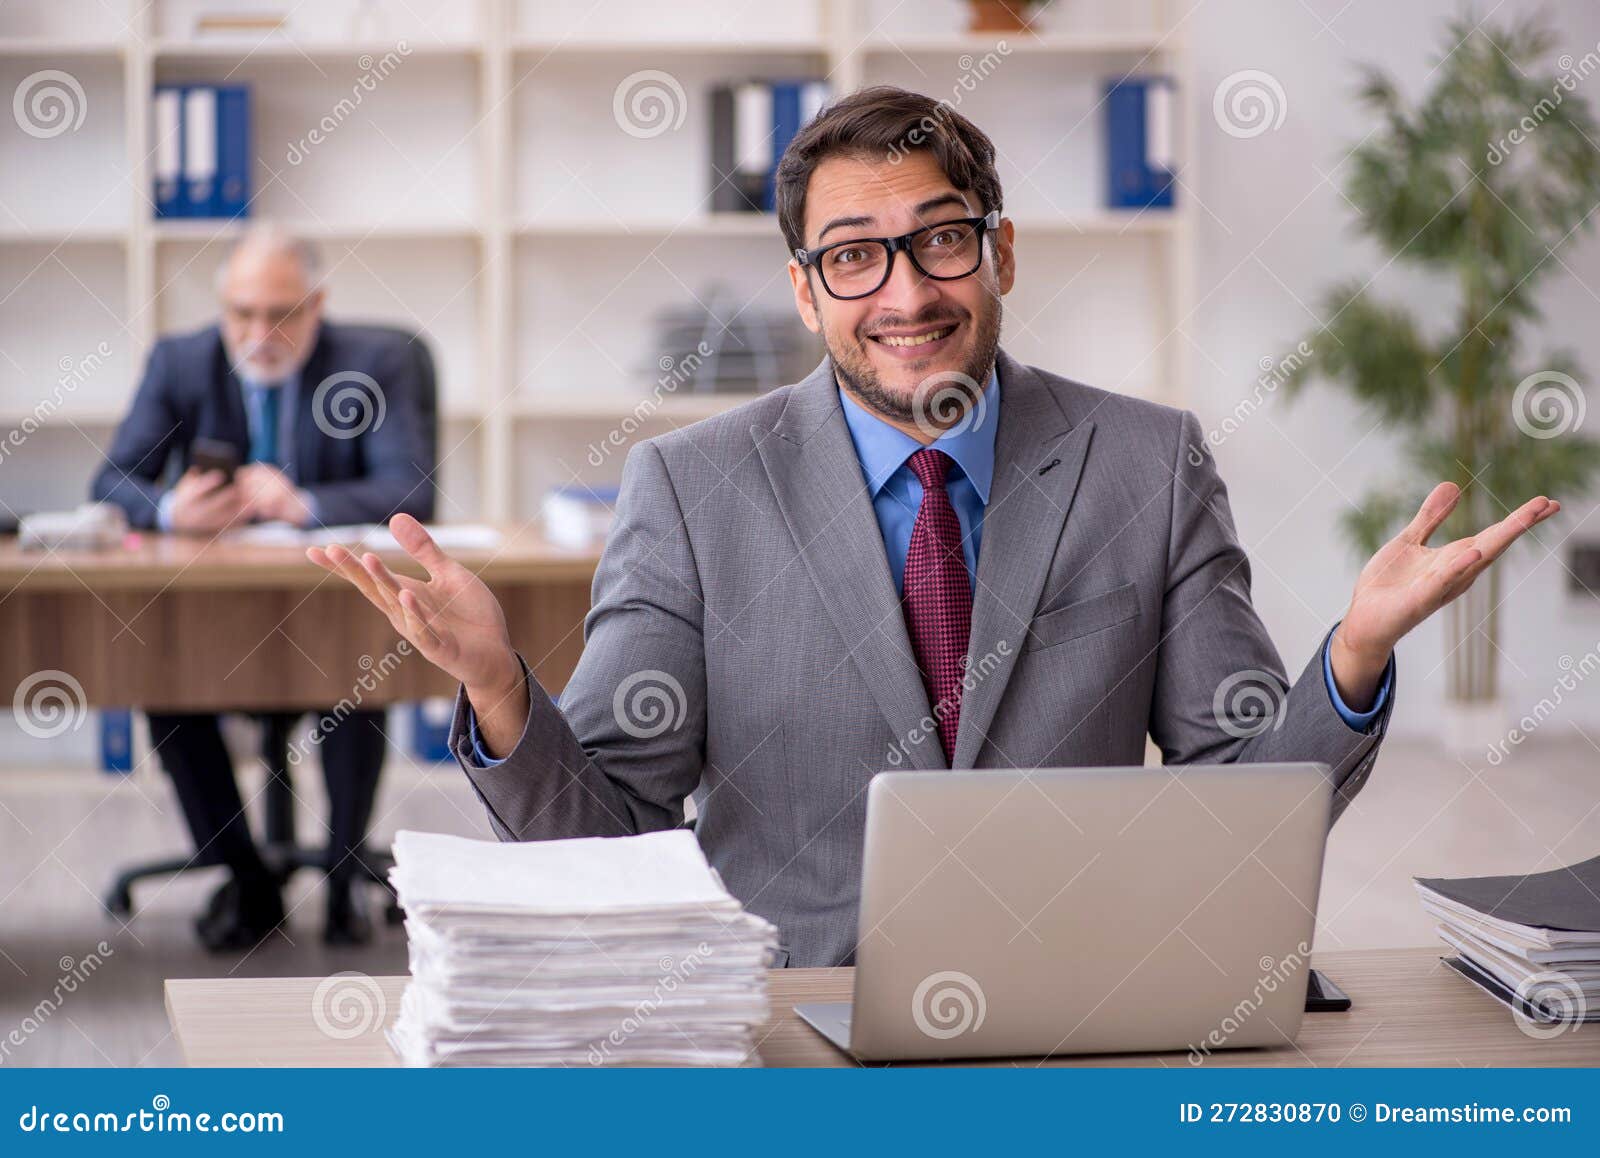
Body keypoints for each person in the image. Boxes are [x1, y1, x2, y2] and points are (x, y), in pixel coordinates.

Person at [310, 87, 1558, 969]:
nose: (906, 294)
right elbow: (613, 835)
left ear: (999, 252)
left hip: (1082, 1003)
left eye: (940, 242)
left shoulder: (1145, 462)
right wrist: (499, 690)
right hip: (794, 1011)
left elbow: (1240, 806)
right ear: (805, 292)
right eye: (854, 257)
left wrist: (1352, 657)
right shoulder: (692, 489)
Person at [92, 222, 437, 951]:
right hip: (213, 621)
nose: (259, 334)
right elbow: (111, 481)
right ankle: (246, 878)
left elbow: (412, 491)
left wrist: (300, 503)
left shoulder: (375, 362)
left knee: (361, 672)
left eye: (281, 314)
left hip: (332, 616)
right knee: (161, 680)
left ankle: (342, 881)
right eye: (241, 314)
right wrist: (169, 509)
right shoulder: (181, 361)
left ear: (317, 305)